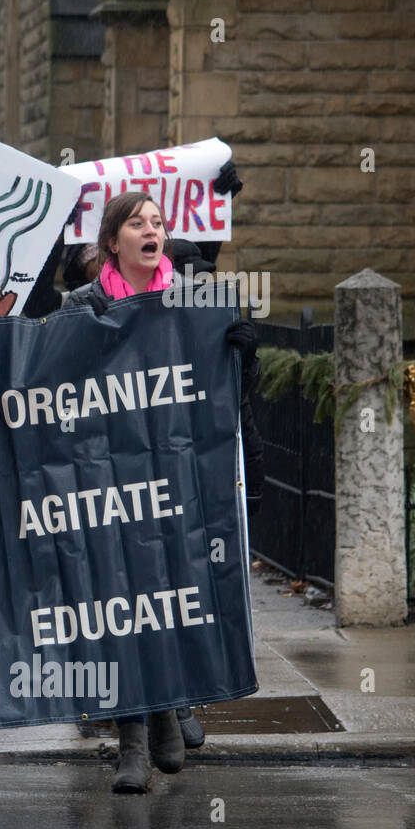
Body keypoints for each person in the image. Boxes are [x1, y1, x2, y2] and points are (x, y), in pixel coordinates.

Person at [65, 191, 262, 793]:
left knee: (173, 591)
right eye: (137, 223)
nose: (152, 230)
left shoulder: (194, 300)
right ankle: (130, 741)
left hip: (178, 476)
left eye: (158, 222)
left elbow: (227, 393)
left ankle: (168, 710)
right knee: (123, 600)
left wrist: (240, 350)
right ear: (112, 242)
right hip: (108, 474)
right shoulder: (82, 305)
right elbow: (55, 389)